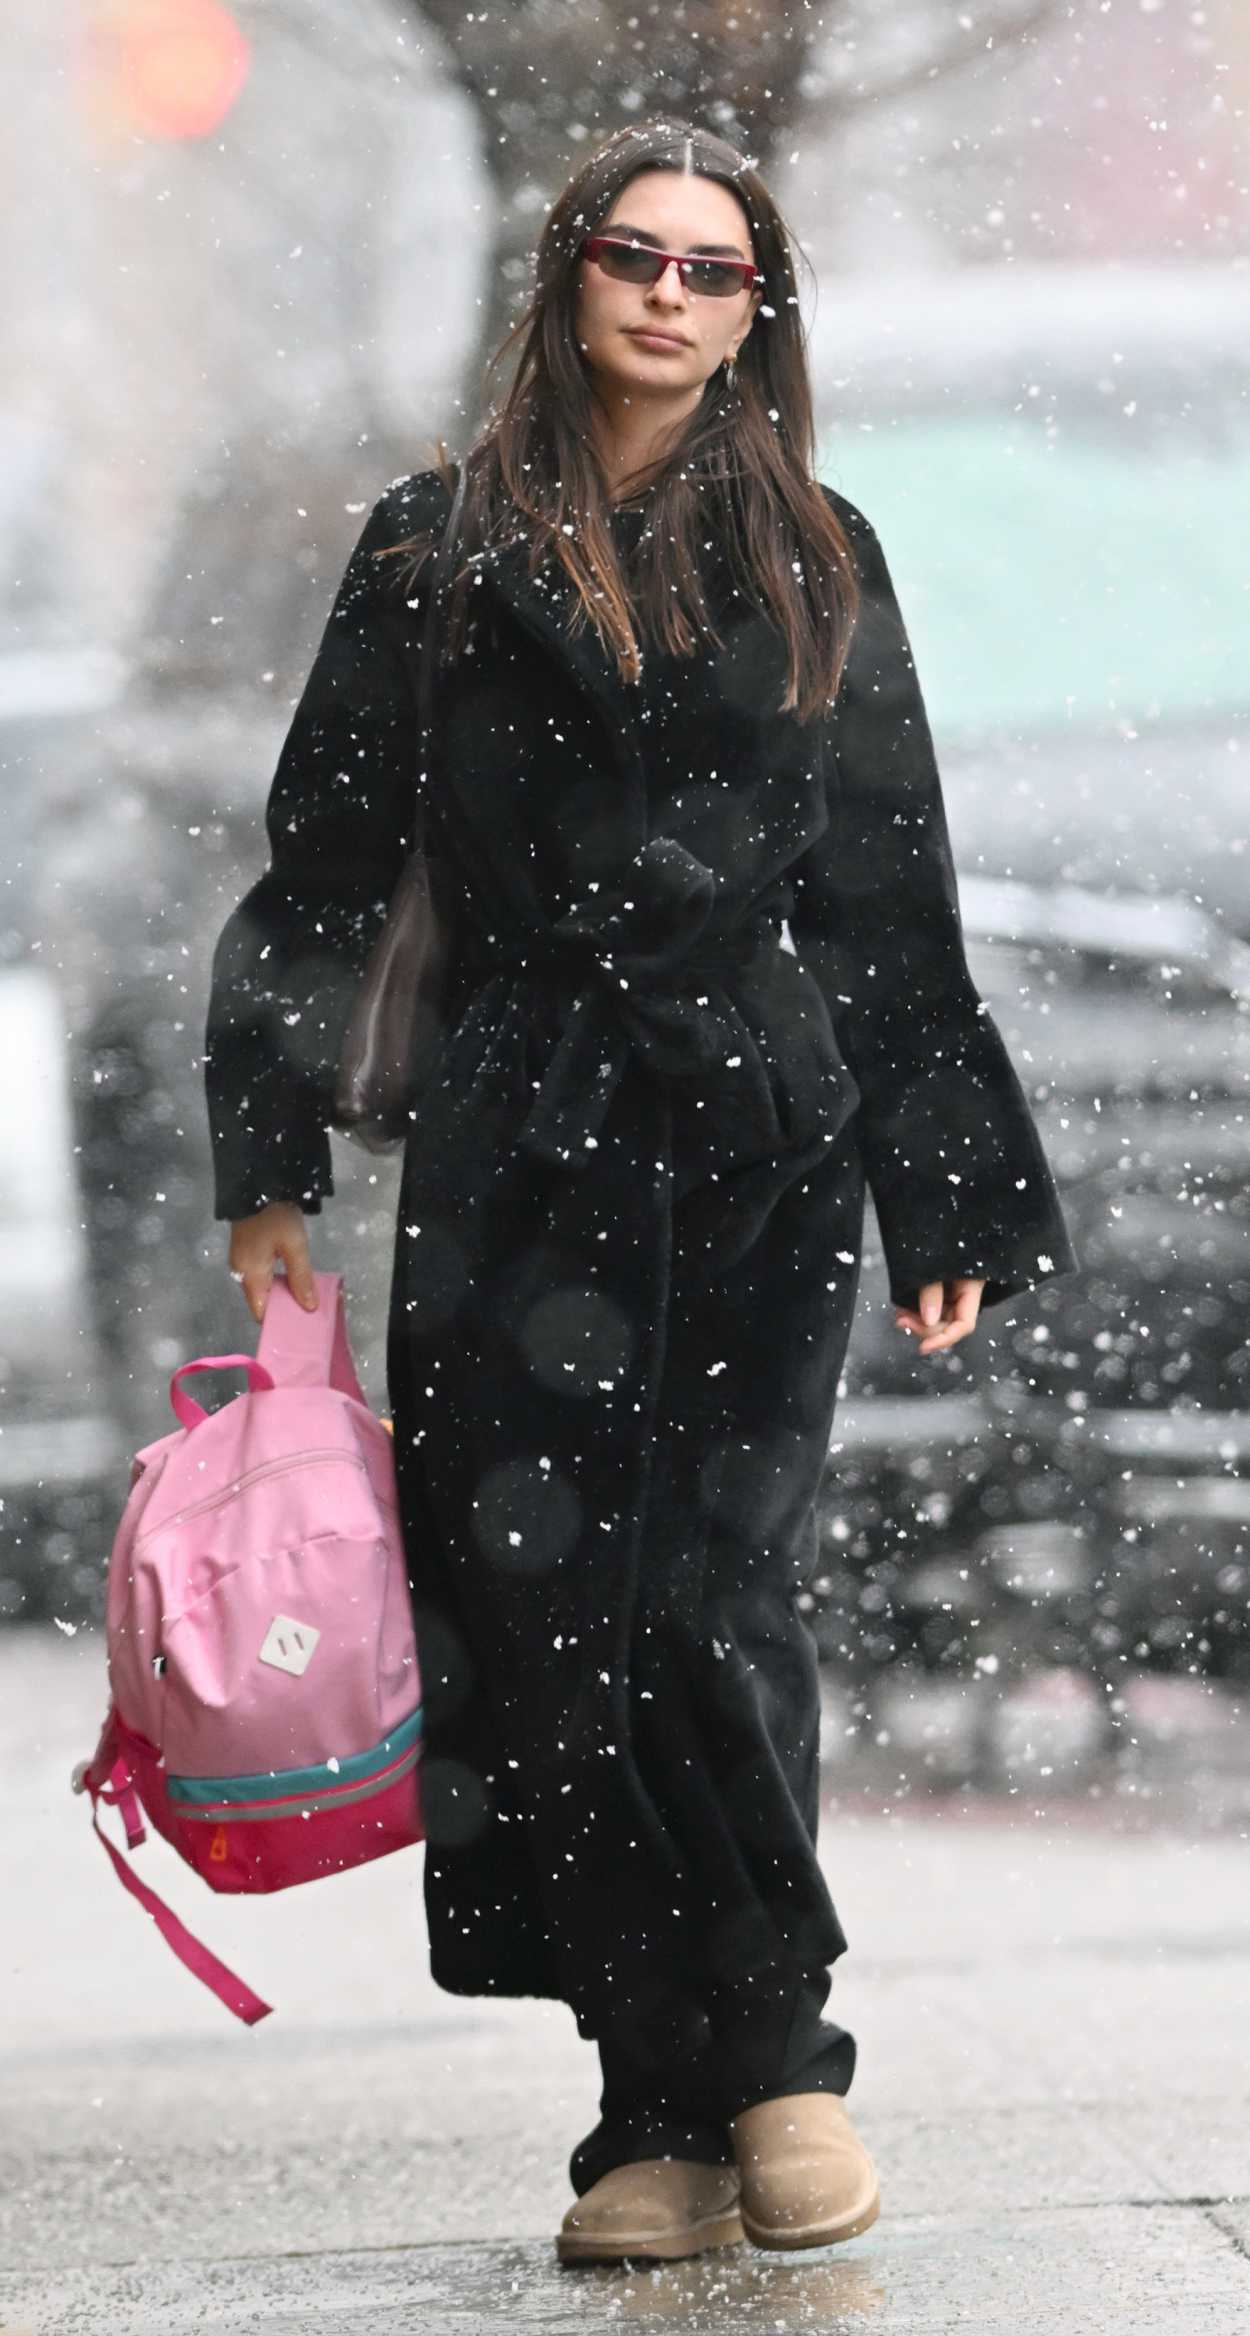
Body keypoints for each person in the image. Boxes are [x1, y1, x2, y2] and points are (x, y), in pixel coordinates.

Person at [205, 116, 1079, 2265]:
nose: (670, 294)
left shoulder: (813, 549)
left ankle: (777, 2058)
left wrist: (937, 1180)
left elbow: (888, 892)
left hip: (749, 1141)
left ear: (754, 310)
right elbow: (322, 861)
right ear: (570, 273)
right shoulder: (431, 553)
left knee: (705, 1596)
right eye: (636, 253)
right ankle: (644, 2112)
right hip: (517, 1139)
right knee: (541, 1629)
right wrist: (269, 1155)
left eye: (714, 269)